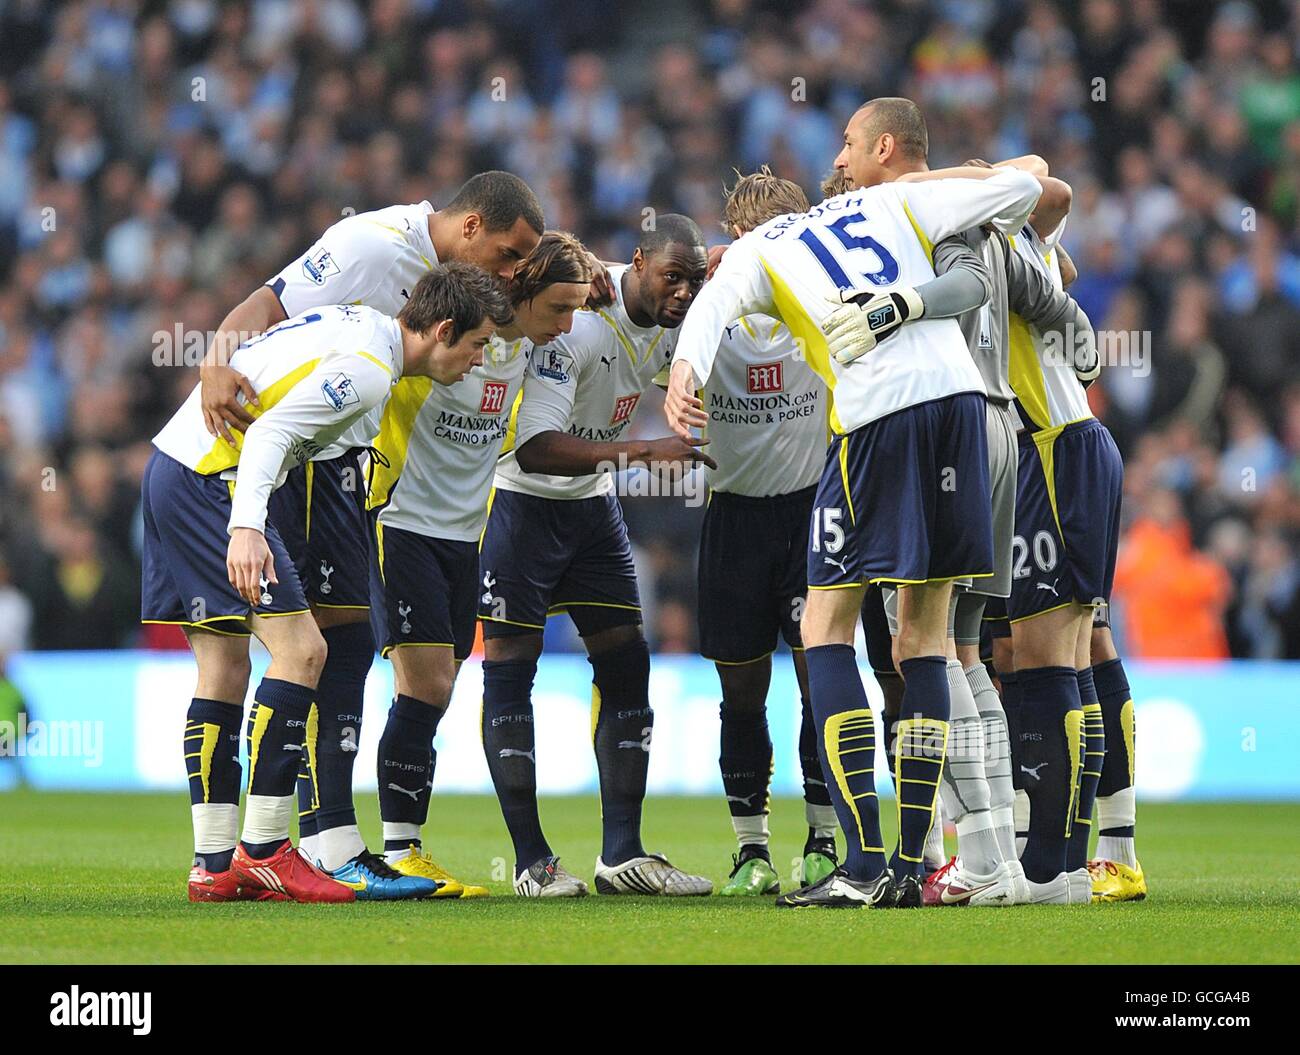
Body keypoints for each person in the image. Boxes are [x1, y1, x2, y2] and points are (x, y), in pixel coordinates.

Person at [665, 98, 1044, 908]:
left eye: (843, 145)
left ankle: (864, 862)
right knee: (925, 637)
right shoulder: (892, 200)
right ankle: (912, 864)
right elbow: (1026, 187)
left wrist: (682, 375)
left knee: (824, 626)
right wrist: (951, 175)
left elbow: (711, 309)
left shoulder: (759, 248)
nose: (838, 159)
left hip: (876, 417)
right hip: (961, 408)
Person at [195, 172, 545, 887]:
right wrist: (213, 360)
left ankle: (314, 842)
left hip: (347, 467)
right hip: (298, 459)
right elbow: (268, 300)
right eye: (508, 255)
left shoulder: (448, 282)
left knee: (343, 643)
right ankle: (302, 845)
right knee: (314, 645)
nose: (512, 275)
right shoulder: (372, 245)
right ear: (471, 226)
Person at [145, 265, 510, 902]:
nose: (479, 362)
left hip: (176, 469)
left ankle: (212, 864)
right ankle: (263, 849)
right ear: (444, 329)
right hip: (215, 482)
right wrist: (247, 527)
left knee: (223, 667)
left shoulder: (361, 328)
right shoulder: (371, 370)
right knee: (305, 652)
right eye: (477, 345)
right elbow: (272, 432)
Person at [480, 214, 715, 897]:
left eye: (693, 281)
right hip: (522, 504)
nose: (682, 293)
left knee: (626, 662)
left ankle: (622, 854)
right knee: (509, 672)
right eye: (671, 277)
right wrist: (640, 449)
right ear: (637, 262)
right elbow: (536, 445)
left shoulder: (678, 317)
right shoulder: (578, 321)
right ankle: (532, 860)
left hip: (591, 506)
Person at [365, 232, 594, 896]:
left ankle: (404, 847)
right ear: (524, 293)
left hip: (466, 535)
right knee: (426, 684)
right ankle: (398, 848)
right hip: (402, 520)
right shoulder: (456, 332)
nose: (567, 326)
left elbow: (592, 277)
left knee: (437, 688)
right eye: (558, 309)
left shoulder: (526, 346)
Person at [696, 169, 838, 898]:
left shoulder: (824, 303)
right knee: (742, 693)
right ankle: (750, 848)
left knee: (822, 679)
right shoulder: (707, 311)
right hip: (735, 517)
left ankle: (823, 835)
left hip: (812, 511)